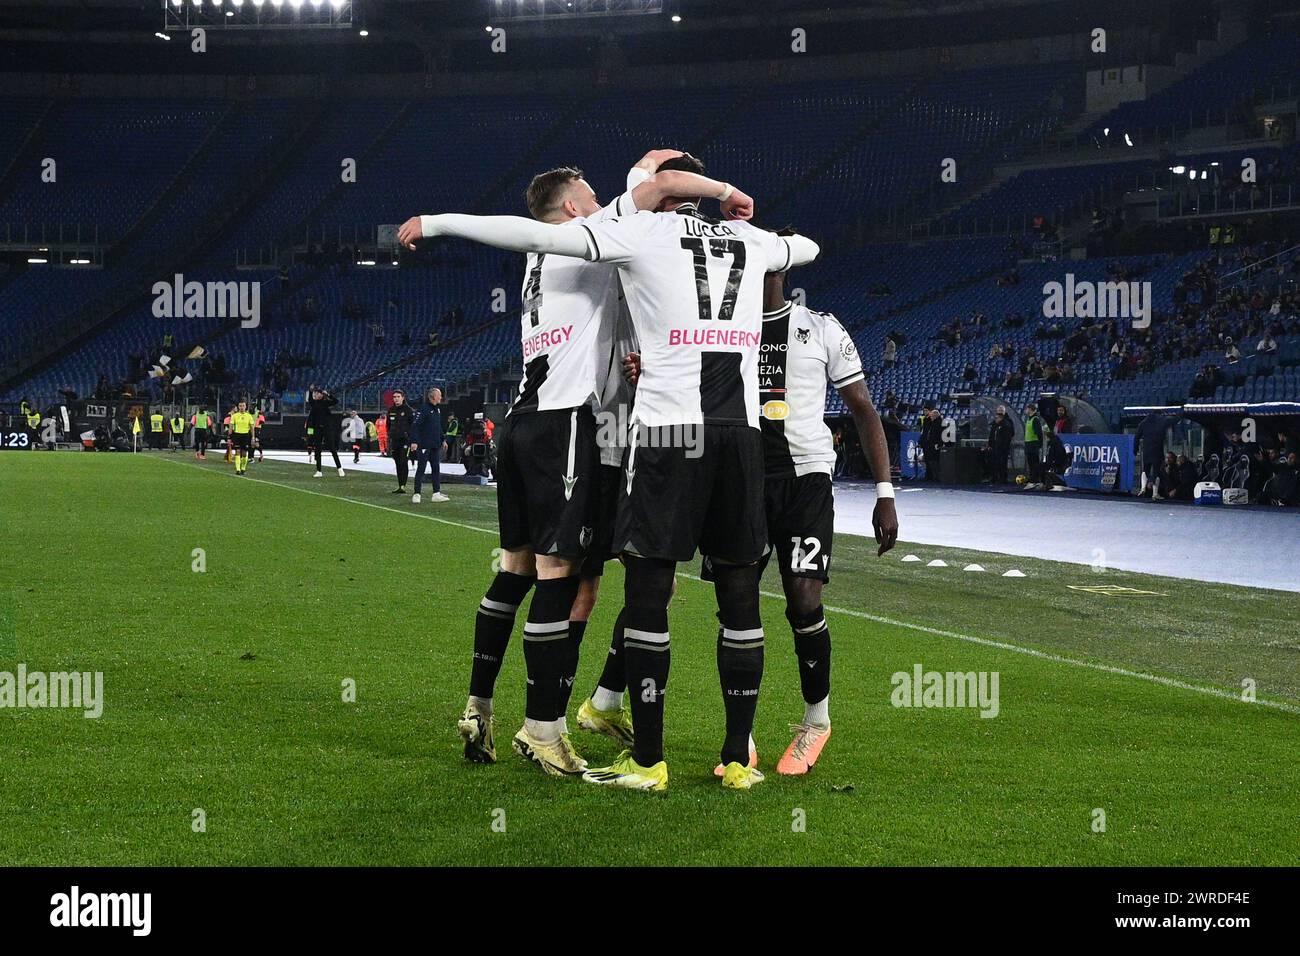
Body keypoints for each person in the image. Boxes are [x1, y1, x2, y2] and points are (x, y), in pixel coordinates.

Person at [703, 267, 897, 777]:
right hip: (740, 478)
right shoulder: (725, 325)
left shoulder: (823, 328)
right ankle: (739, 734)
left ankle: (817, 719)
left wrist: (885, 493)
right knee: (736, 606)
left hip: (805, 479)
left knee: (804, 598)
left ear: (784, 267)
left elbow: (863, 410)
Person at [409, 388, 449, 504]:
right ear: (433, 397)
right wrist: (414, 441)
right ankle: (417, 494)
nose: (441, 397)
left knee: (436, 469)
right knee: (421, 468)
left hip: (435, 445)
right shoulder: (423, 409)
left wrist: (443, 439)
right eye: (439, 395)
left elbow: (438, 427)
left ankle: (436, 493)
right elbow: (416, 426)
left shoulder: (437, 409)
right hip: (424, 445)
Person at [306, 386, 346, 478]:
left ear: (321, 395)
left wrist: (328, 394)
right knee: (318, 450)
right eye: (315, 393)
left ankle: (340, 468)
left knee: (332, 448)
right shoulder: (314, 404)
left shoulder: (325, 403)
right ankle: (319, 471)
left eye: (317, 393)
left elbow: (336, 401)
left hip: (327, 428)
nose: (315, 394)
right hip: (317, 429)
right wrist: (310, 390)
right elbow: (310, 399)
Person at [384, 389, 414, 493]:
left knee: (403, 461)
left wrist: (412, 438)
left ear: (403, 397)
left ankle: (403, 486)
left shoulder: (408, 410)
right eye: (394, 397)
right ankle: (400, 485)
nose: (396, 399)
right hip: (395, 440)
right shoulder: (391, 410)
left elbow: (413, 426)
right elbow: (388, 424)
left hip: (405, 441)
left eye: (398, 397)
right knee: (397, 462)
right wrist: (389, 434)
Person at [228, 400, 256, 476]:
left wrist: (253, 437)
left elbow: (252, 428)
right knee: (237, 452)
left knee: (244, 453)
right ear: (238, 407)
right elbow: (231, 427)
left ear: (245, 406)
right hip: (237, 435)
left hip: (246, 436)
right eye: (240, 406)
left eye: (243, 406)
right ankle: (238, 469)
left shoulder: (249, 416)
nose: (241, 407)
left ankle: (243, 468)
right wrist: (229, 437)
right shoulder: (234, 416)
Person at [987, 404, 1014, 484]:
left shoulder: (1008, 421)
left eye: (1000, 413)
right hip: (995, 446)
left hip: (1003, 446)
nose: (998, 415)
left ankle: (1003, 479)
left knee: (1002, 462)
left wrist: (1001, 423)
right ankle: (994, 478)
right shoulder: (995, 422)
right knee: (994, 462)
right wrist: (990, 444)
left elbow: (1011, 433)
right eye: (998, 413)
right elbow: (992, 434)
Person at [1023, 403, 1047, 488]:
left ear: (1030, 409)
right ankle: (1033, 479)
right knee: (1030, 463)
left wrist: (1039, 444)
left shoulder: (1035, 419)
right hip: (1028, 443)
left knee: (1035, 463)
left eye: (1027, 409)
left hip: (1033, 444)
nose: (1026, 410)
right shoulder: (1029, 419)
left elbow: (1039, 433)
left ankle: (1036, 479)